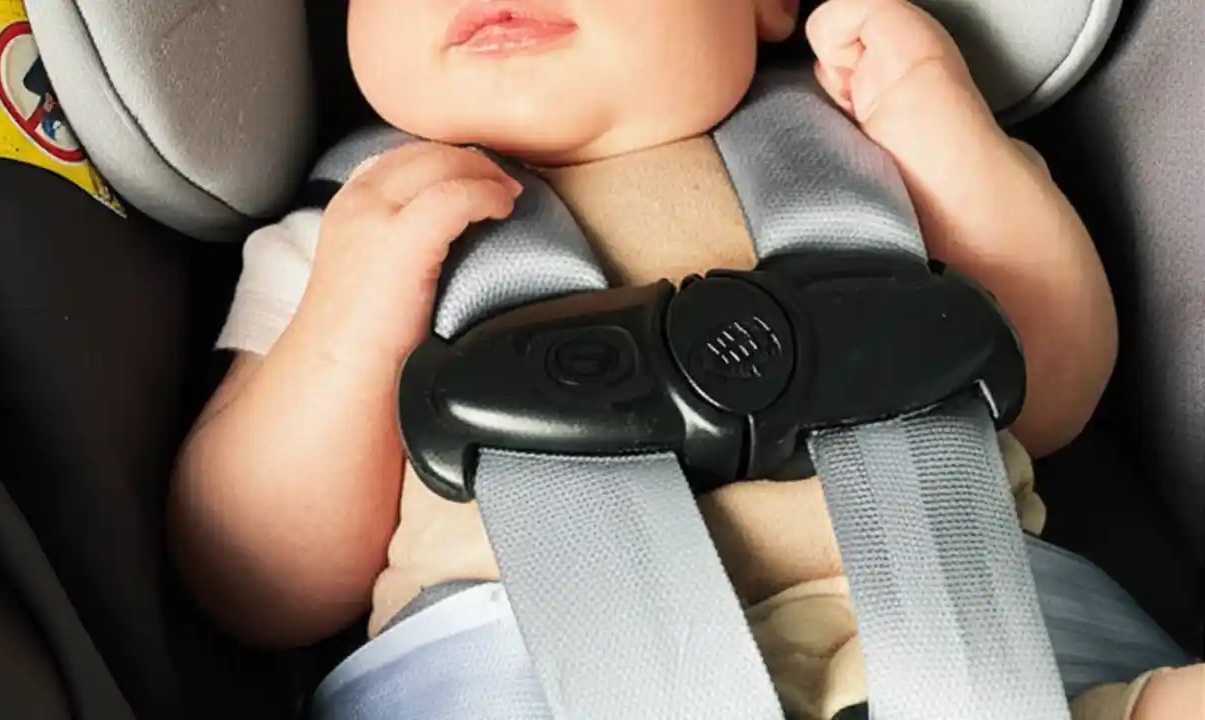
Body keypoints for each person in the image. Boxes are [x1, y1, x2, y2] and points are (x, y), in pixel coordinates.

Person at [168, 0, 1202, 716]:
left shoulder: (873, 140)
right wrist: (352, 312)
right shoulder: (352, 230)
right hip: (530, 671)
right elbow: (256, 575)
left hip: (983, 633)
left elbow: (1053, 391)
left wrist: (943, 124)